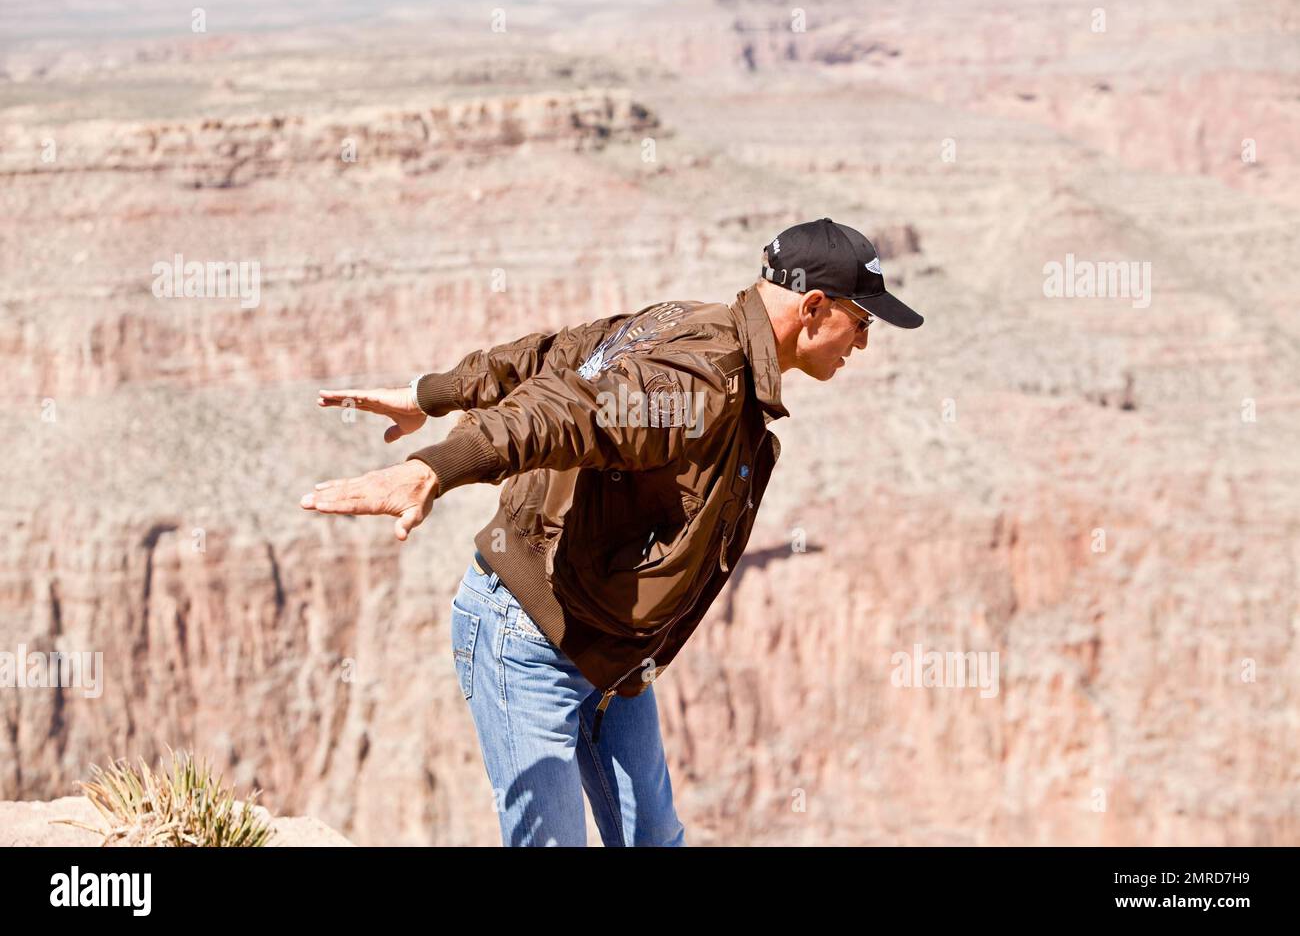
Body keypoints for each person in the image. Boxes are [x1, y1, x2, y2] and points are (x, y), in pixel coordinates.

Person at [300, 217, 924, 846]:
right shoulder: (701, 386)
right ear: (814, 307)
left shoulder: (686, 319)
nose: (863, 344)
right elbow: (568, 410)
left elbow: (553, 355)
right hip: (532, 637)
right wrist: (433, 468)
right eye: (863, 323)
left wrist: (429, 394)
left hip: (614, 655)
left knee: (653, 839)